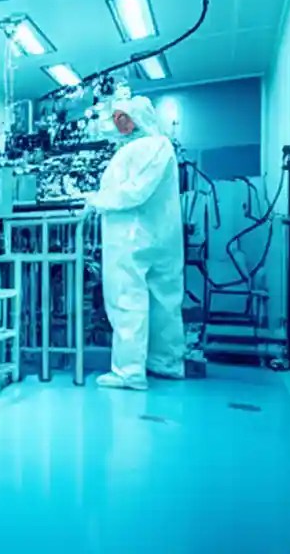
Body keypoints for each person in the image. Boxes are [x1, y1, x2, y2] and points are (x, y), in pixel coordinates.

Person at [86, 96, 186, 390]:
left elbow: (134, 191)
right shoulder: (154, 147)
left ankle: (129, 372)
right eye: (116, 117)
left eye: (124, 116)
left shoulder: (150, 146)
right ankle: (166, 362)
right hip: (159, 236)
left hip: (131, 237)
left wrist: (96, 200)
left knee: (127, 299)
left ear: (140, 117)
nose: (119, 122)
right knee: (165, 300)